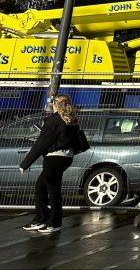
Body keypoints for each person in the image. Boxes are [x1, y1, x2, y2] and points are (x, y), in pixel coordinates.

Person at [20, 94, 88, 235]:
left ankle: (53, 222)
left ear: (56, 105)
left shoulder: (54, 120)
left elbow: (41, 143)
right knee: (42, 187)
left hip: (53, 159)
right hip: (65, 158)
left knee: (51, 190)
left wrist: (25, 164)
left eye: (52, 103)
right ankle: (42, 218)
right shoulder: (72, 120)